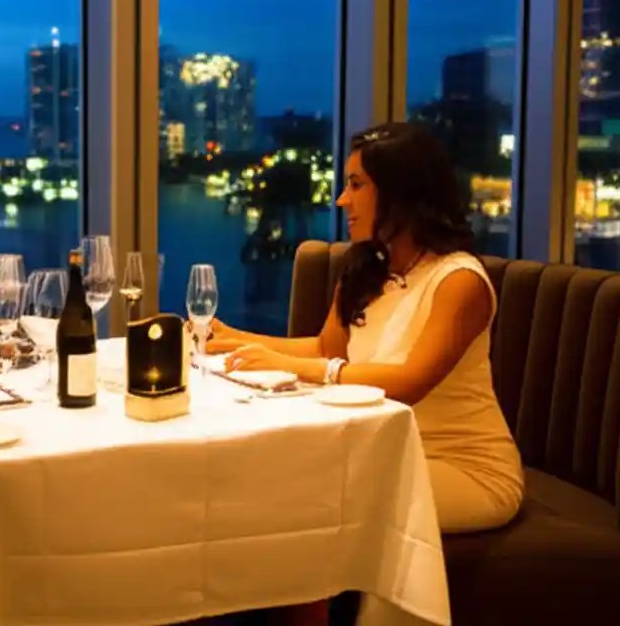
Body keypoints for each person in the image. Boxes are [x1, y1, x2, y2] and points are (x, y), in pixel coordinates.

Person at [211, 122, 524, 534]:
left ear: (400, 193)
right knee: (269, 479)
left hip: (463, 468)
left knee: (309, 499)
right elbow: (327, 349)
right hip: (385, 451)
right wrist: (226, 338)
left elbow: (410, 383)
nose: (342, 200)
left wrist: (294, 369)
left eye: (356, 185)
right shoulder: (368, 268)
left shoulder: (458, 281)